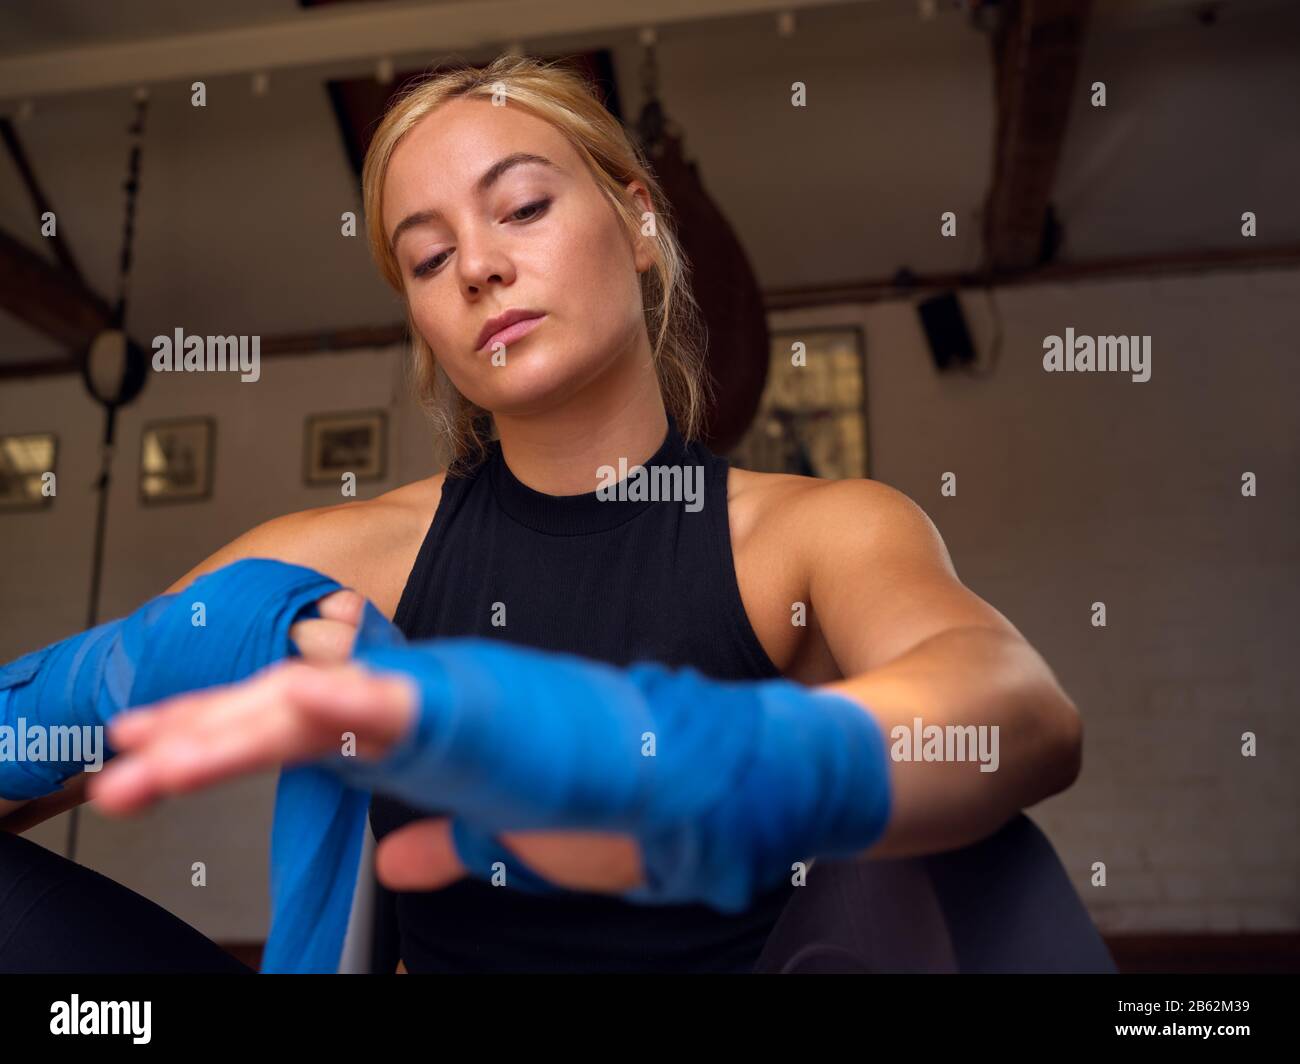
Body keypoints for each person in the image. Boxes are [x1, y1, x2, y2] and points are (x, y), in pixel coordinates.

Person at [1, 54, 1082, 974]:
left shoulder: (804, 535)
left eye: (521, 206)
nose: (477, 263)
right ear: (424, 317)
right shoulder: (336, 565)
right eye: (427, 257)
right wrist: (149, 669)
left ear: (641, 223)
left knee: (963, 846)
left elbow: (1019, 714)